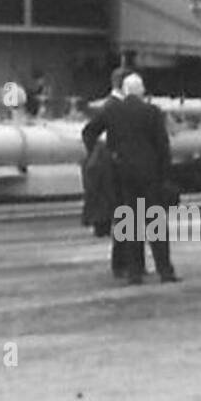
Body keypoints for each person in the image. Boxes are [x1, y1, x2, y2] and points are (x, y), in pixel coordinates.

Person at [82, 71, 178, 285]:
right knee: (155, 224)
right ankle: (165, 271)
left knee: (130, 224)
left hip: (123, 174)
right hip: (150, 175)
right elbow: (163, 147)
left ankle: (134, 272)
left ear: (125, 92)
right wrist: (165, 176)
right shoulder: (153, 112)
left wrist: (103, 153)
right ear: (142, 91)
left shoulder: (113, 111)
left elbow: (89, 132)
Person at [81, 67, 134, 279]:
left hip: (117, 168)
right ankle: (123, 263)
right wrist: (106, 154)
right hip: (117, 170)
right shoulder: (112, 107)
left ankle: (125, 262)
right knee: (124, 215)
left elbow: (89, 133)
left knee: (125, 216)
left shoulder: (111, 106)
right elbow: (90, 132)